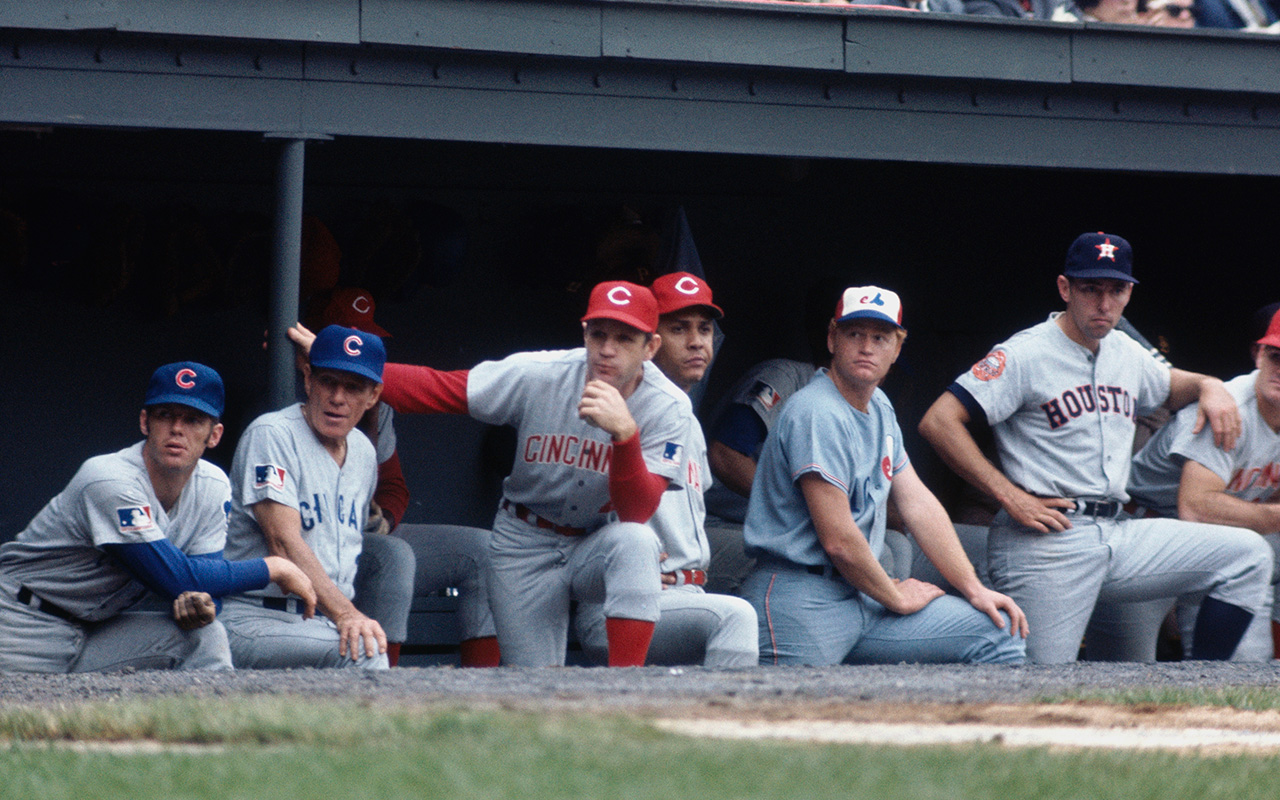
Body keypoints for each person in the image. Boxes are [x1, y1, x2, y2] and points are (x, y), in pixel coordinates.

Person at [918, 231, 1272, 664]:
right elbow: (939, 421)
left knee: (1246, 556)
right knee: (1036, 683)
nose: (1104, 304)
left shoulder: (1125, 351)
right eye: (1091, 289)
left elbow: (1173, 385)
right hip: (1047, 542)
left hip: (1118, 533)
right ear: (1065, 288)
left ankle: (1204, 684)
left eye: (1116, 290)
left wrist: (1210, 385)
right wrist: (1009, 496)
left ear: (1128, 293)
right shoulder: (1025, 353)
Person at [293, 281, 689, 667]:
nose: (607, 349)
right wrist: (341, 362)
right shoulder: (542, 372)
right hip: (525, 540)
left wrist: (625, 435)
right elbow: (443, 389)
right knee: (535, 683)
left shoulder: (669, 406)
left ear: (650, 347)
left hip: (595, 542)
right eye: (598, 334)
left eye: (624, 339)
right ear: (584, 332)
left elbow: (636, 510)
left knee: (637, 540)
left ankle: (627, 690)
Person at [741, 285, 1028, 666]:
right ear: (832, 338)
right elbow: (839, 541)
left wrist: (973, 588)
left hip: (861, 594)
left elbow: (917, 503)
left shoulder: (879, 405)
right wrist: (894, 597)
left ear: (897, 347)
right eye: (854, 334)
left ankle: (962, 727)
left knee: (998, 633)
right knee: (799, 717)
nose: (866, 347)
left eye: (880, 337)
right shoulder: (816, 410)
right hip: (801, 596)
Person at [0, 362, 315, 673]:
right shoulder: (108, 478)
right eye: (165, 415)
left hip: (94, 631)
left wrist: (201, 607)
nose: (177, 429)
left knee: (205, 634)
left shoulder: (213, 485)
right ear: (144, 422)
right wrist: (273, 568)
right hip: (20, 621)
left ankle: (217, 722)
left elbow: (202, 587)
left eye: (193, 419)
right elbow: (178, 578)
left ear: (215, 434)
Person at [575, 272, 758, 667]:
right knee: (737, 618)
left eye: (704, 329)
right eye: (679, 329)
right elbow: (571, 510)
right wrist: (628, 570)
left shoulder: (684, 417)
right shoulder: (613, 409)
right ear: (648, 342)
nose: (696, 341)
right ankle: (730, 724)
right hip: (626, 605)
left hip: (687, 595)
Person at [310, 287, 498, 667]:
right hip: (311, 546)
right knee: (393, 556)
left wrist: (387, 518)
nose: (357, 352)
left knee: (484, 551)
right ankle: (381, 682)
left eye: (367, 342)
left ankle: (482, 689)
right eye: (347, 340)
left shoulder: (377, 409)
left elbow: (395, 487)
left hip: (360, 540)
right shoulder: (287, 404)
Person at [222, 324, 391, 669]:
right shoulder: (273, 434)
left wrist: (344, 616)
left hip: (319, 621)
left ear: (373, 396)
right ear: (309, 379)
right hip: (255, 615)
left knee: (366, 638)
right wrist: (347, 614)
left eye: (353, 387)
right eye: (329, 381)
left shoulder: (363, 452)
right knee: (366, 656)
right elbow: (282, 542)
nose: (338, 397)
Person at [1119, 303, 1280, 660]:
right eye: (1277, 357)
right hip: (1141, 531)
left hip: (1223, 544)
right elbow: (1196, 507)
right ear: (1258, 354)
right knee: (1124, 667)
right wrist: (1272, 517)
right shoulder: (1227, 408)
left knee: (1245, 674)